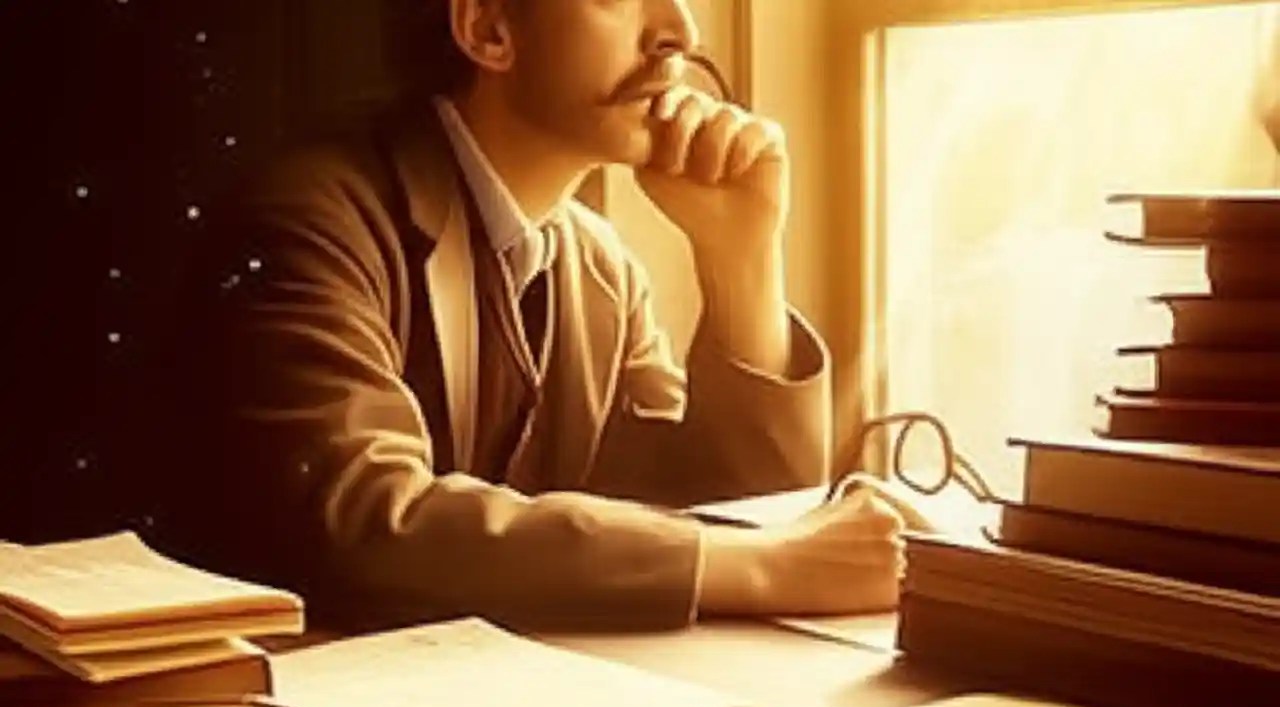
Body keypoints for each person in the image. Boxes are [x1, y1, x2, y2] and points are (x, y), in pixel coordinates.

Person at [159, 0, 911, 632]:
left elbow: (714, 510)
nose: (681, 30)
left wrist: (742, 261)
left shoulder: (599, 267)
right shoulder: (313, 218)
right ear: (488, 28)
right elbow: (364, 521)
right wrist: (765, 571)